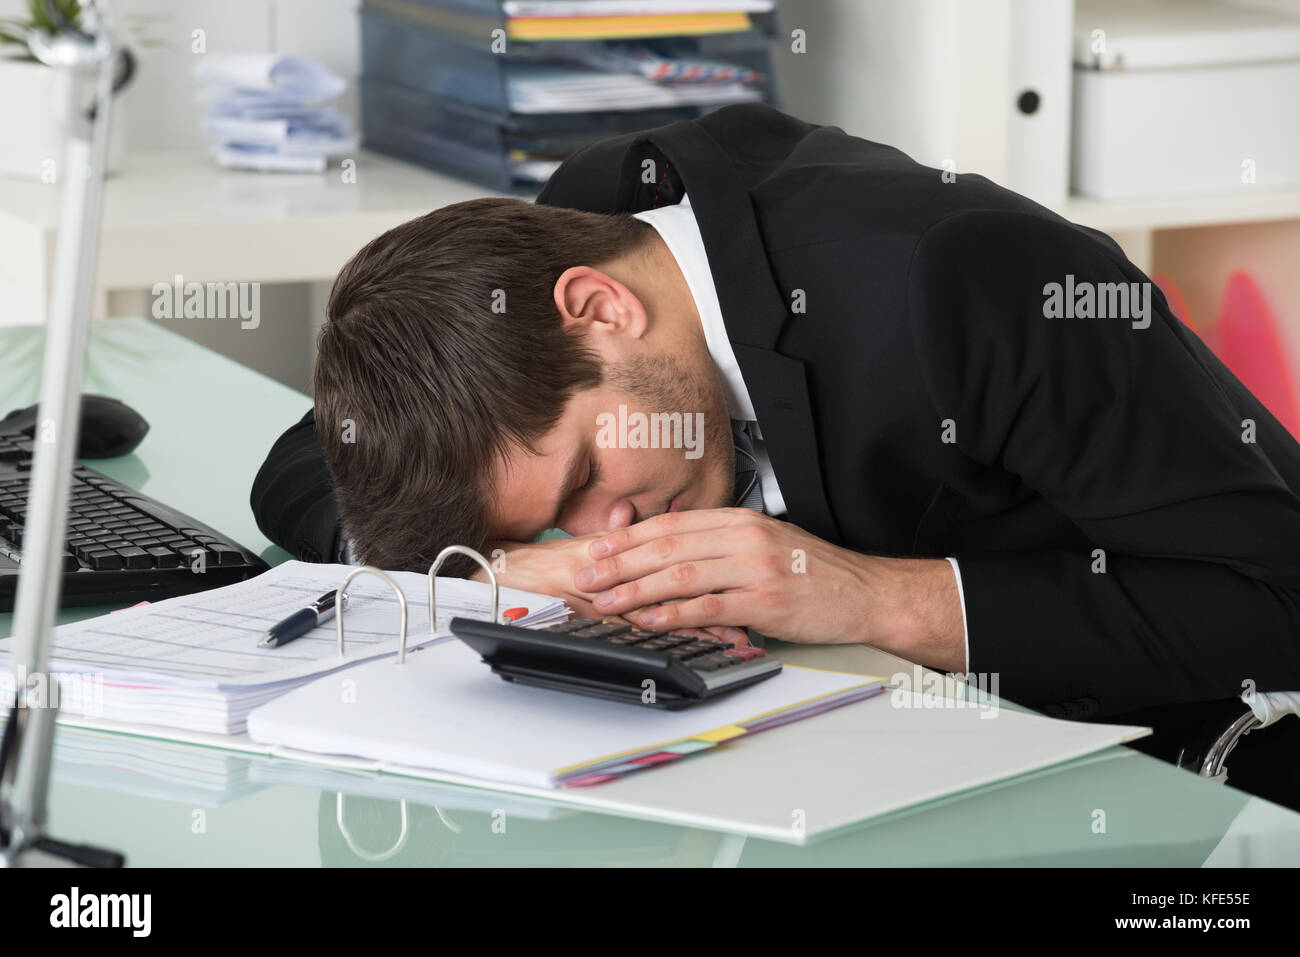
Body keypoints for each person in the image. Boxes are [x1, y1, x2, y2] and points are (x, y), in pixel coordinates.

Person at [252, 103, 1300, 803]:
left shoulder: (961, 281)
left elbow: (1275, 598)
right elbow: (303, 464)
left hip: (1168, 784)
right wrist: (499, 562)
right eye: (556, 523)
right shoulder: (573, 243)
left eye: (582, 482)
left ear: (601, 310)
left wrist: (879, 602)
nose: (600, 536)